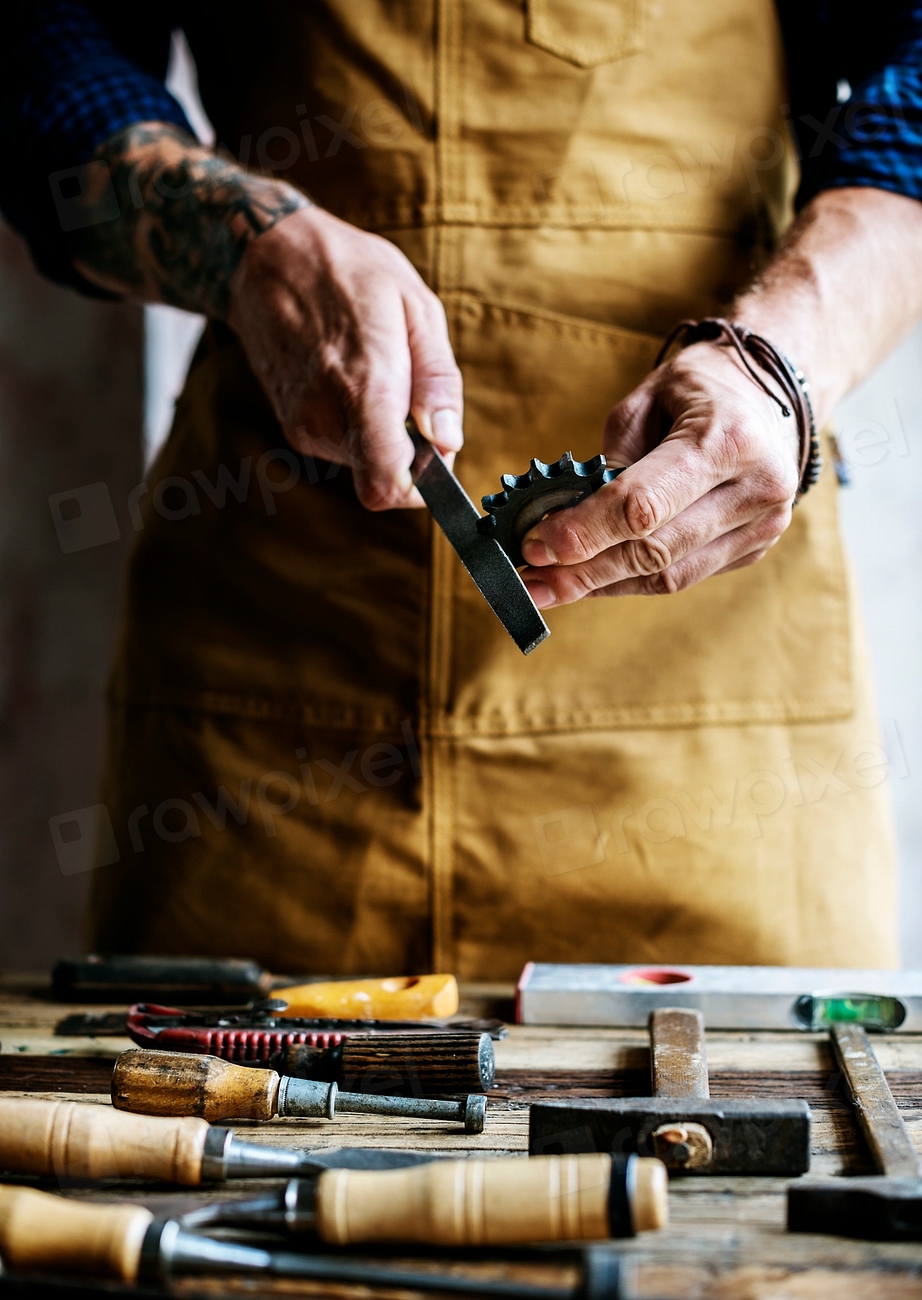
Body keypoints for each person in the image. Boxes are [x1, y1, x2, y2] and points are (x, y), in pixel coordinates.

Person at [4, 2, 922, 977]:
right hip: (270, 695)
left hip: (718, 712)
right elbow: (43, 55)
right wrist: (245, 242)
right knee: (212, 1095)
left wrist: (779, 359)